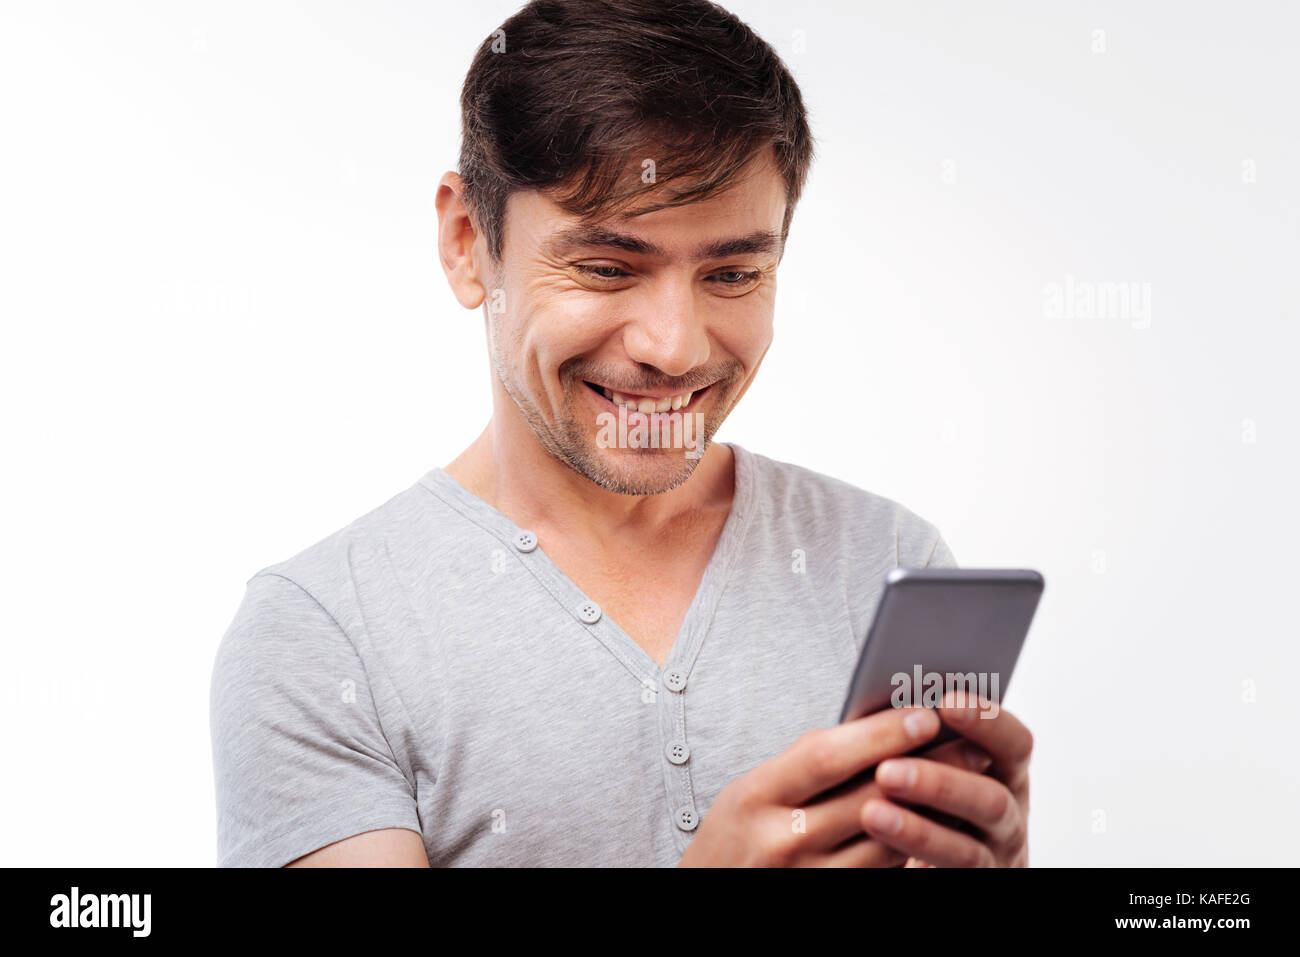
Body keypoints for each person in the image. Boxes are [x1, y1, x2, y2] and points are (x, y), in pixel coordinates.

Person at [209, 0, 1032, 867]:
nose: (673, 348)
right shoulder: (322, 637)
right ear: (466, 242)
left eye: (733, 272)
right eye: (607, 268)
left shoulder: (884, 561)